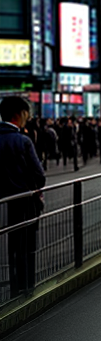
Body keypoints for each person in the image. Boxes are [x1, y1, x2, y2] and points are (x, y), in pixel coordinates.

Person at [0, 96, 46, 297]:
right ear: (18, 114)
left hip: (5, 202)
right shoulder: (22, 140)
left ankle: (13, 288)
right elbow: (39, 175)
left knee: (11, 246)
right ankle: (26, 287)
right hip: (25, 201)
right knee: (26, 247)